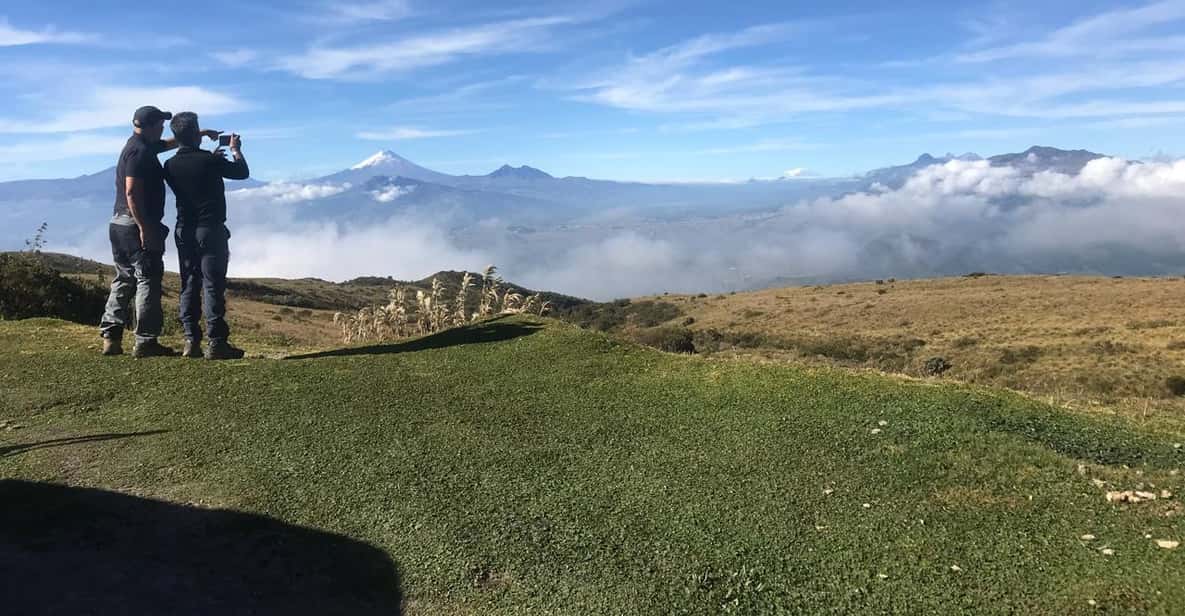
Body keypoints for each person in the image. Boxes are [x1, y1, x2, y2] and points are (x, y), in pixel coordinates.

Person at [98, 106, 219, 357]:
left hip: (118, 224)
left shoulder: (136, 145)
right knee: (147, 279)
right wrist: (145, 228)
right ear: (152, 125)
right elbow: (132, 191)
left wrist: (196, 135)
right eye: (161, 124)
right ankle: (145, 340)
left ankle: (111, 336)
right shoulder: (141, 153)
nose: (164, 128)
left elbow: (164, 146)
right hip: (137, 225)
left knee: (124, 278)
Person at [163, 112, 250, 360]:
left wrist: (207, 157)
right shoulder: (210, 161)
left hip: (183, 230)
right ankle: (217, 342)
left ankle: (191, 341)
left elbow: (191, 173)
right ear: (196, 132)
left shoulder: (169, 166)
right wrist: (236, 150)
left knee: (189, 284)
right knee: (212, 284)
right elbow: (241, 172)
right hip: (210, 229)